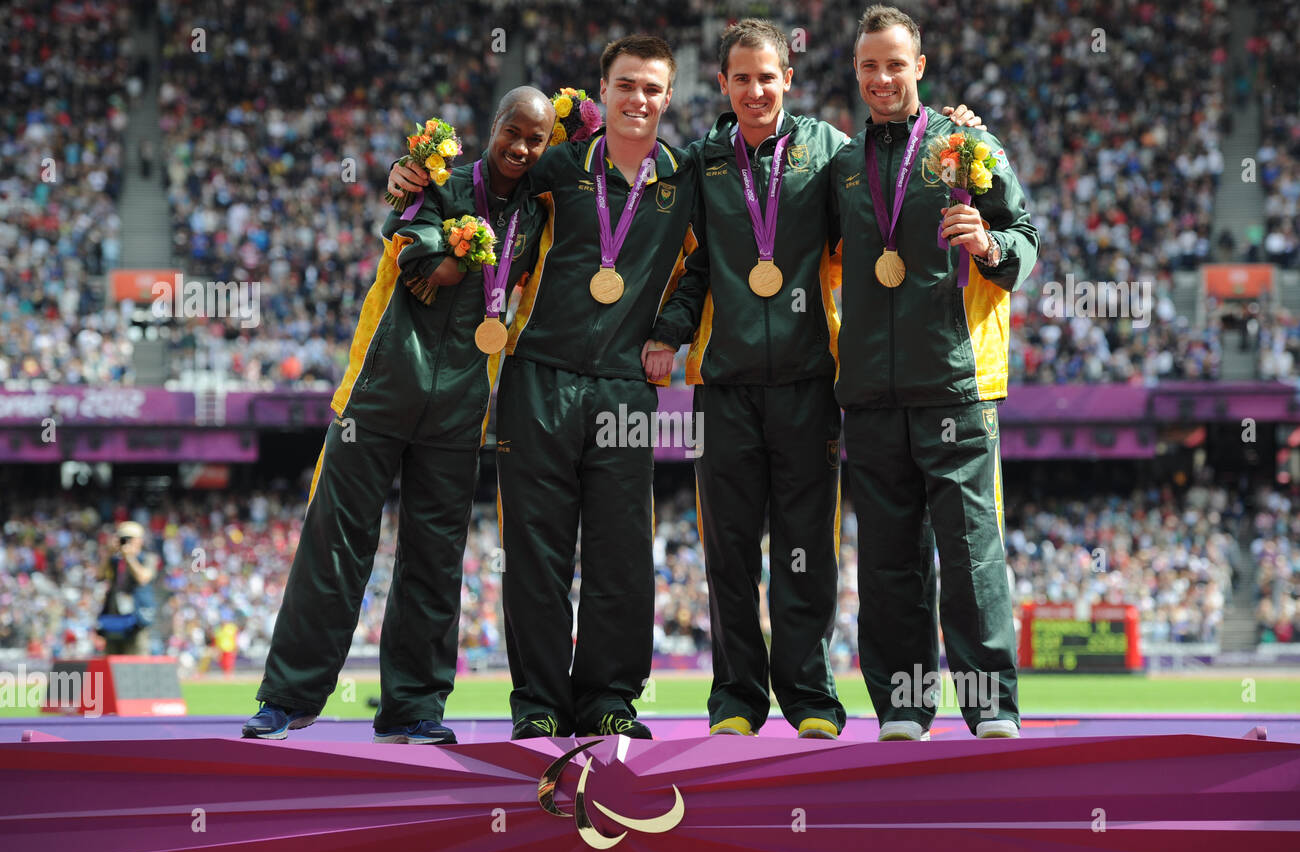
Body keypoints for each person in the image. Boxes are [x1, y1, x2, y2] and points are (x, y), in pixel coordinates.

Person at [645, 19, 983, 740]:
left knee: (808, 551)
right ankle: (736, 697)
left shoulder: (831, 152)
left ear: (787, 80)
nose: (756, 89)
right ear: (724, 85)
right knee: (728, 552)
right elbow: (697, 267)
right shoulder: (705, 160)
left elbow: (881, 220)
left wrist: (958, 139)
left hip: (809, 380)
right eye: (741, 78)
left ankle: (810, 699)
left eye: (768, 77)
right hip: (723, 384)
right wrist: (670, 330)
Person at [394, 37, 701, 740]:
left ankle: (609, 698)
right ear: (604, 88)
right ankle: (536, 699)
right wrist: (408, 178)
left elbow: (705, 266)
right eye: (626, 84)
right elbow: (483, 189)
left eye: (653, 88)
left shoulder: (685, 181)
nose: (639, 99)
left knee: (622, 551)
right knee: (535, 550)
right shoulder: (558, 166)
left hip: (625, 387)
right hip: (537, 377)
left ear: (668, 96)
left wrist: (671, 330)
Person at [242, 87, 556, 744]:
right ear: (491, 127)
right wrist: (449, 241)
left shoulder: (541, 209)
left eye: (537, 139)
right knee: (336, 544)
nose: (522, 148)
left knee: (436, 560)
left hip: (461, 405)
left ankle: (414, 708)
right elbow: (424, 265)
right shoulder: (435, 186)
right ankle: (287, 698)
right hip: (381, 390)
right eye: (513, 132)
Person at [829, 5, 1039, 740]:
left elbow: (1027, 237)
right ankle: (904, 709)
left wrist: (989, 242)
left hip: (955, 382)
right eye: (869, 66)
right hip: (871, 391)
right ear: (856, 73)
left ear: (919, 67)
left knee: (972, 551)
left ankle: (991, 710)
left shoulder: (967, 143)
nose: (882, 78)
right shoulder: (843, 166)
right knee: (888, 561)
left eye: (895, 64)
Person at [96, 520, 158, 656]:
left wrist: (129, 557)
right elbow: (99, 575)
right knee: (112, 662)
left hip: (136, 618)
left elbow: (143, 578)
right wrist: (108, 553)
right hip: (114, 618)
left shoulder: (148, 558)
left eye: (129, 538)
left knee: (136, 661)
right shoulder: (114, 561)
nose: (125, 542)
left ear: (139, 540)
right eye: (123, 539)